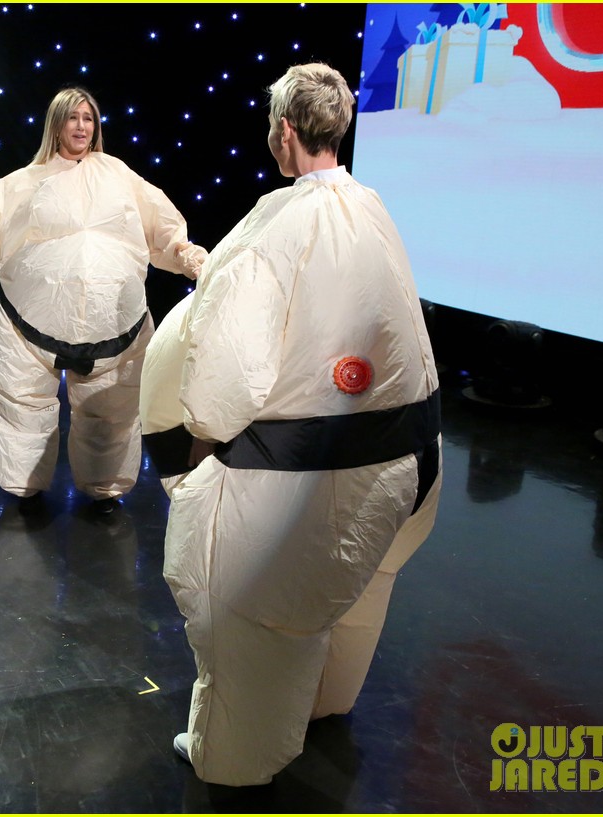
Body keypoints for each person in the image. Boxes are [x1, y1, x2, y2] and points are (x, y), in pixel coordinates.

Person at [139, 63, 442, 786]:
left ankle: (233, 761)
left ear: (282, 132)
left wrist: (192, 454)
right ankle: (328, 700)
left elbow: (219, 392)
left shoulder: (270, 230)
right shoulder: (373, 206)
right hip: (409, 463)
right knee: (357, 589)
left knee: (251, 624)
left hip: (302, 486)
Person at [0, 87, 206, 514]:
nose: (81, 127)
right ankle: (25, 488)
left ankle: (105, 488)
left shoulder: (119, 176)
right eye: (72, 118)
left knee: (111, 414)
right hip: (28, 327)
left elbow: (163, 228)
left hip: (115, 330)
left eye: (88, 118)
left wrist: (193, 260)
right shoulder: (24, 182)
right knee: (23, 408)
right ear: (56, 124)